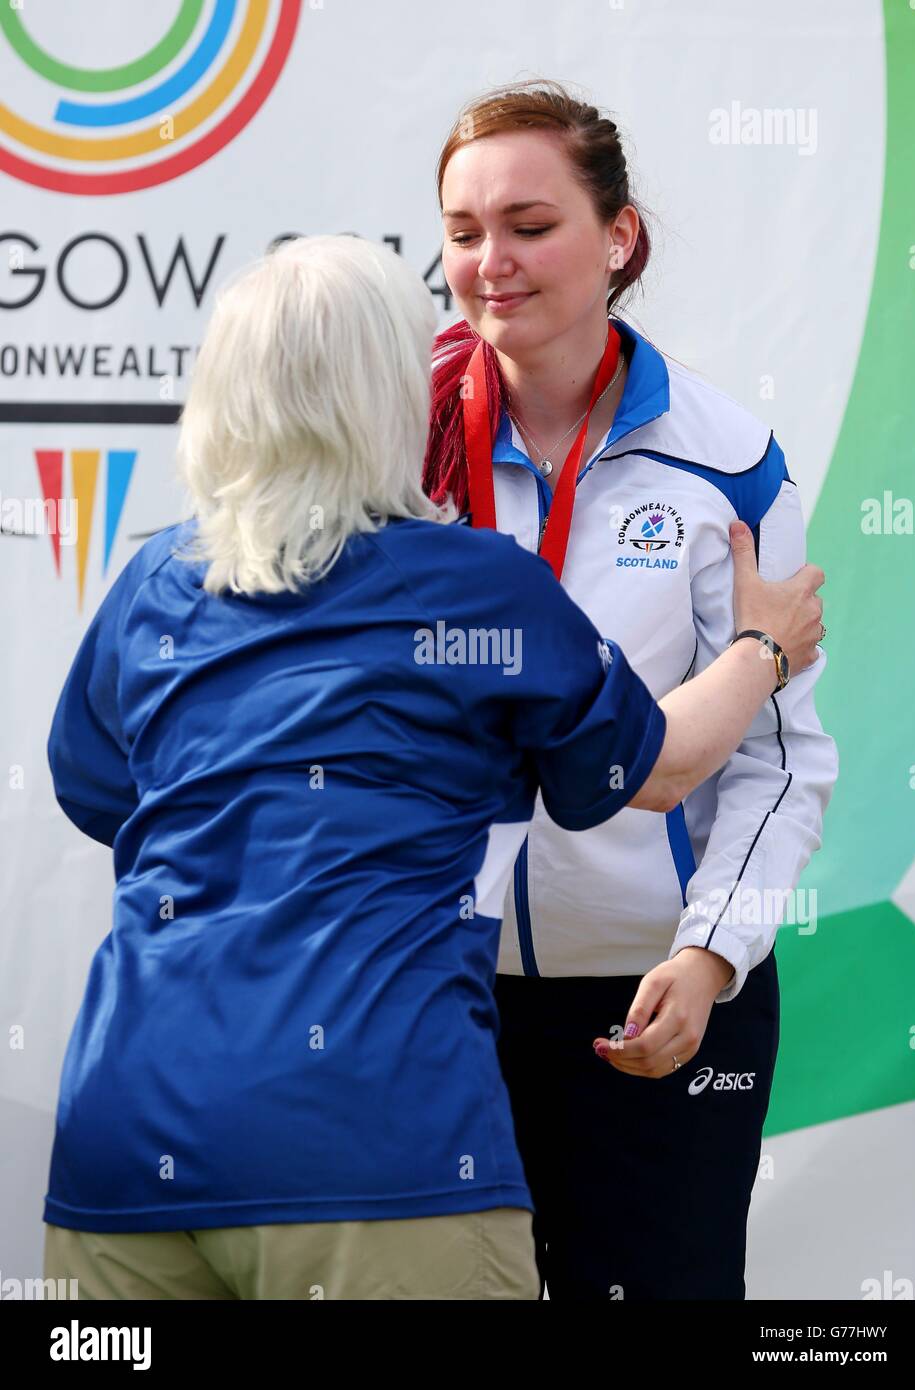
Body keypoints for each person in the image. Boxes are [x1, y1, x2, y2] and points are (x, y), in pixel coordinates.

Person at [41, 235, 822, 1302]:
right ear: (385, 398)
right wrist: (762, 649)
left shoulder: (151, 584)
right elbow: (657, 767)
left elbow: (102, 792)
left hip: (121, 1142)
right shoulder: (473, 586)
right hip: (377, 1145)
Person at [423, 79, 838, 1300]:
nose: (491, 262)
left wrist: (710, 956)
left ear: (617, 237)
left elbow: (778, 760)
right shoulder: (400, 451)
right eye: (461, 231)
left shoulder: (723, 462)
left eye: (530, 225)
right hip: (443, 999)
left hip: (663, 1001)